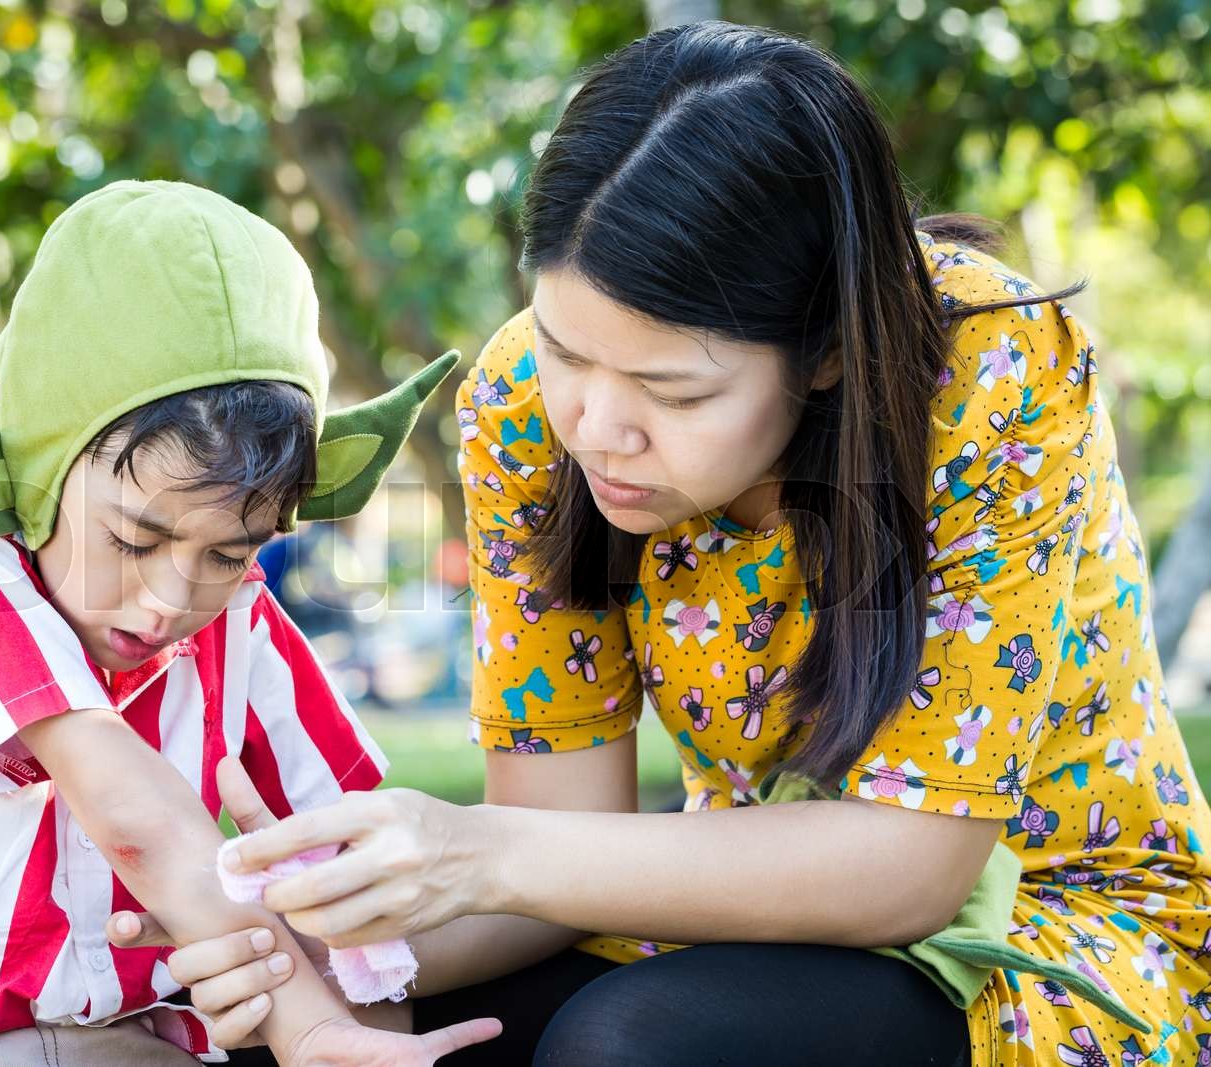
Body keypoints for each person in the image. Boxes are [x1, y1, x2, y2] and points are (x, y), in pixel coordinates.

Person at [106, 24, 1211, 1067]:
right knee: (343, 1030)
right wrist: (316, 939)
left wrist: (471, 851)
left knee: (635, 1046)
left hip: (1046, 922)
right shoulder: (521, 406)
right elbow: (558, 843)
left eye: (672, 389)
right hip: (730, 903)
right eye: (563, 352)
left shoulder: (981, 371)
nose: (597, 426)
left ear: (824, 352)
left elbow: (909, 870)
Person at [0, 180, 497, 1066]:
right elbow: (134, 817)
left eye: (232, 553)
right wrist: (309, 1028)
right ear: (43, 463)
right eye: (132, 537)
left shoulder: (240, 616)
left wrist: (359, 1017)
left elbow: (357, 866)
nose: (169, 599)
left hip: (122, 1045)